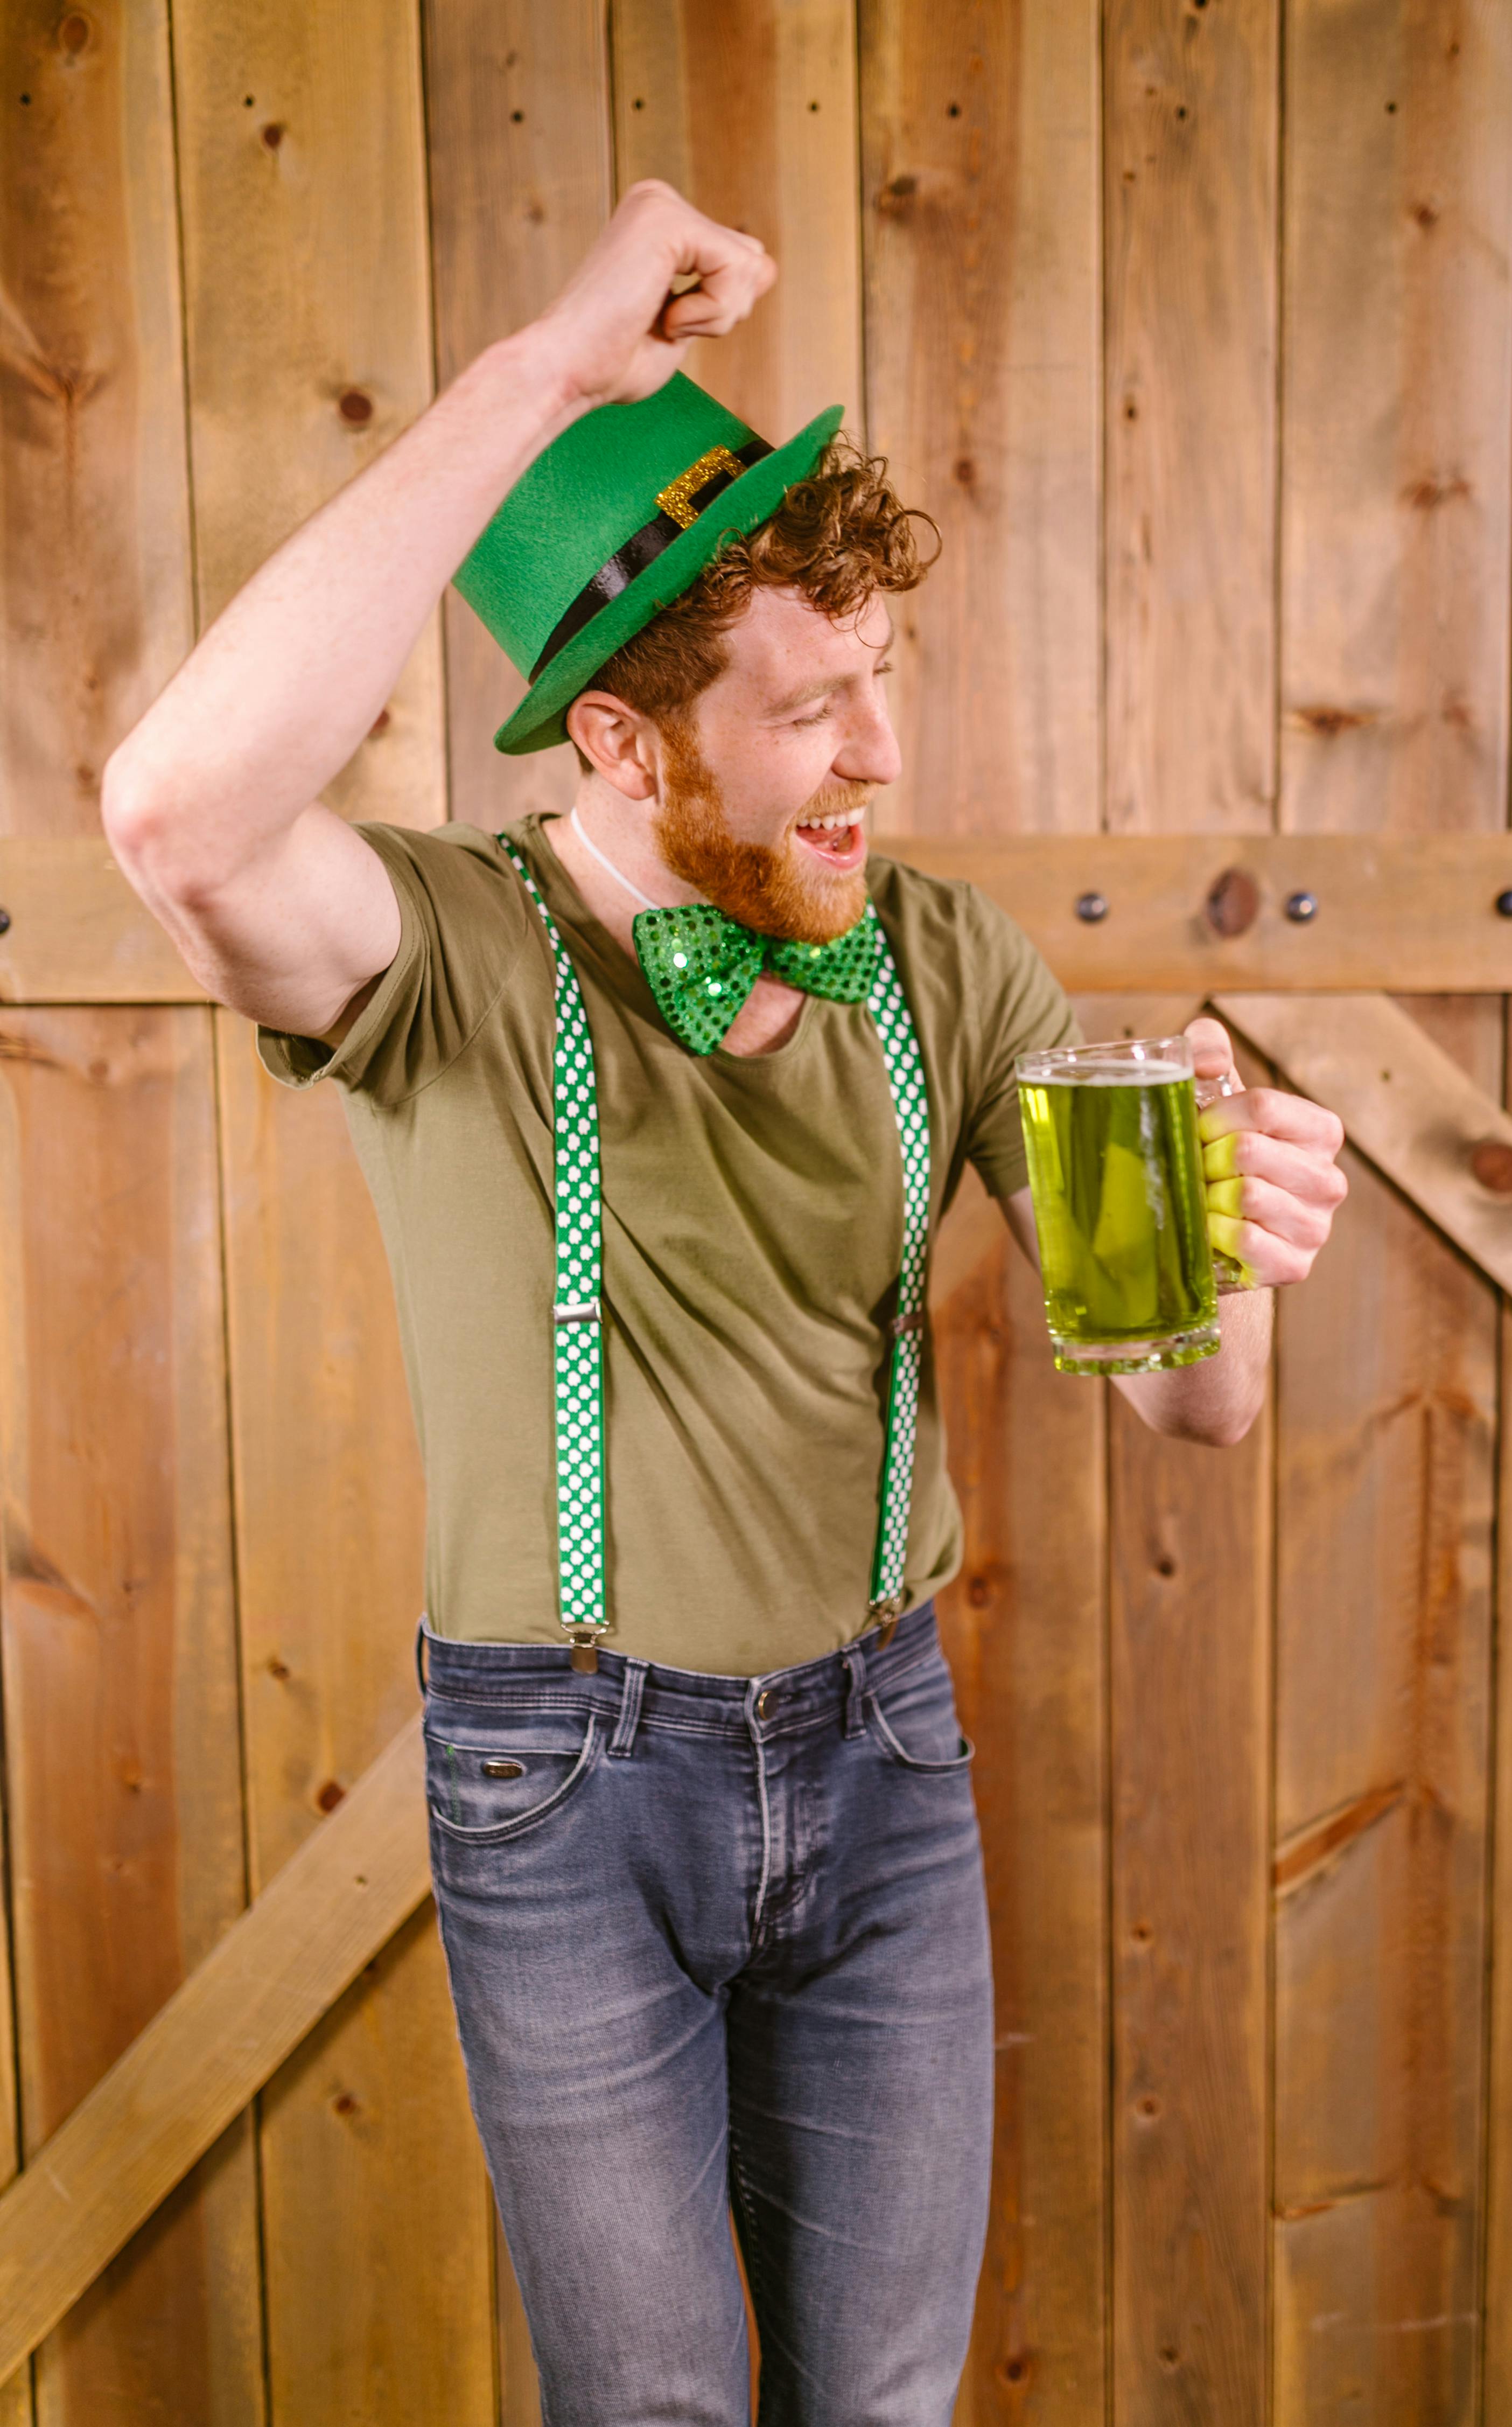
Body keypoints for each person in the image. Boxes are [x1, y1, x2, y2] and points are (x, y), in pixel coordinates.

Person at [103, 182, 1347, 2427]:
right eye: (810, 707)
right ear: (613, 740)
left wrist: (1238, 1256)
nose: (880, 755)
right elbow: (178, 812)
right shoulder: (445, 955)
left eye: (885, 682)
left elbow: (1196, 1413)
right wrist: (553, 369)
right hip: (560, 1774)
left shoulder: (943, 961)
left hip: (883, 1754)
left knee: (878, 2404)